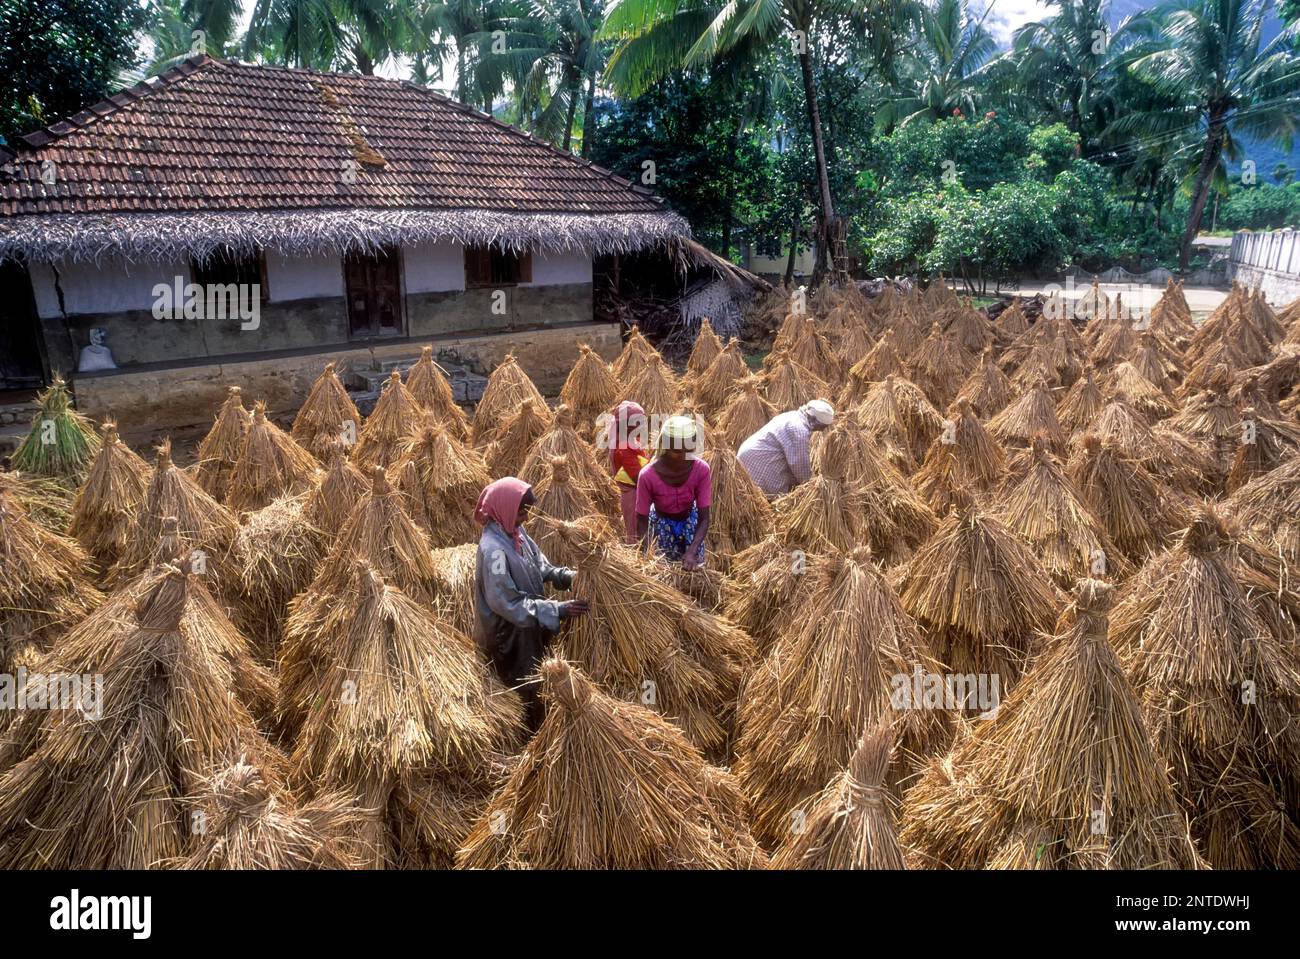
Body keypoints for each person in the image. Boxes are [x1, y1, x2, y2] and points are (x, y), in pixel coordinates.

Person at [472, 476, 588, 729]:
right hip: (509, 635)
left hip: (528, 626)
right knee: (523, 686)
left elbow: (540, 565)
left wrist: (567, 577)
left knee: (536, 680)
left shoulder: (516, 532)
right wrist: (556, 609)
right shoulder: (495, 551)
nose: (525, 517)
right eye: (521, 510)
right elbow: (506, 603)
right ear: (504, 507)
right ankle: (529, 737)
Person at [635, 415, 712, 570]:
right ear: (666, 447)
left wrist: (692, 551)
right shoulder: (648, 475)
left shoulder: (701, 470)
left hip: (691, 524)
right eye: (677, 451)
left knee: (693, 575)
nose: (682, 456)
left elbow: (704, 518)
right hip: (661, 527)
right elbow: (641, 521)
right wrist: (648, 555)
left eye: (687, 450)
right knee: (664, 575)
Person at [736, 399, 835, 496]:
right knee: (763, 500)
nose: (821, 430)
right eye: (822, 427)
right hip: (758, 461)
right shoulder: (799, 431)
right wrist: (813, 488)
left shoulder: (793, 416)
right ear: (814, 420)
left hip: (749, 453)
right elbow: (800, 467)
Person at [606, 400, 649, 544]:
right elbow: (639, 477)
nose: (641, 424)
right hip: (634, 497)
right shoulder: (623, 448)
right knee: (636, 533)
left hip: (640, 493)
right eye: (638, 421)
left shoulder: (632, 440)